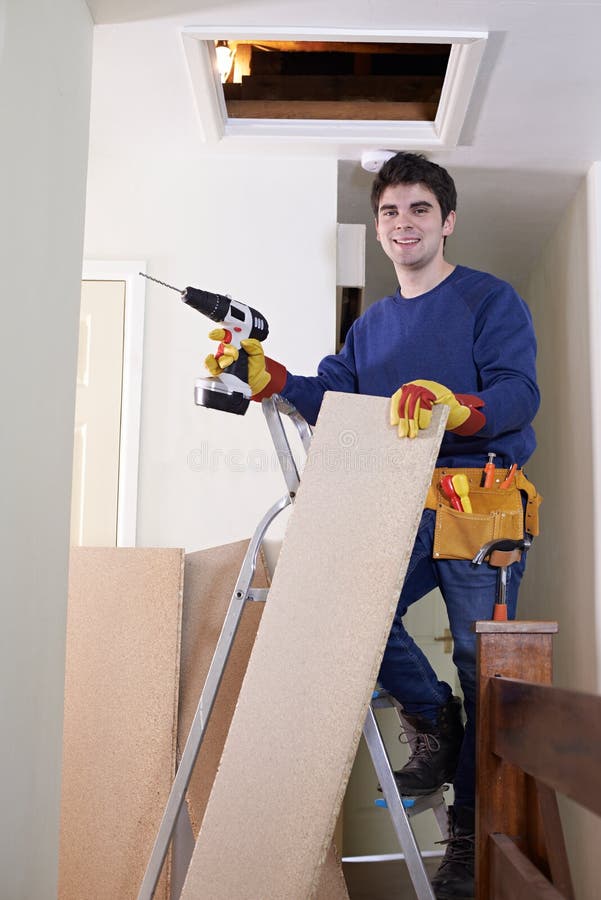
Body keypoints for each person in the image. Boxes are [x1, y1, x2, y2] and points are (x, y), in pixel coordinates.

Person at [206, 151, 541, 899]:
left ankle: (466, 841)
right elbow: (336, 397)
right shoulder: (372, 326)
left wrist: (456, 405)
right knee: (350, 613)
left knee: (479, 667)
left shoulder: (489, 300)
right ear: (380, 226)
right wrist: (270, 378)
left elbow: (518, 394)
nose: (403, 223)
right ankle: (431, 716)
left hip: (481, 506)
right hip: (403, 505)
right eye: (390, 211)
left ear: (447, 222)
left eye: (419, 209)